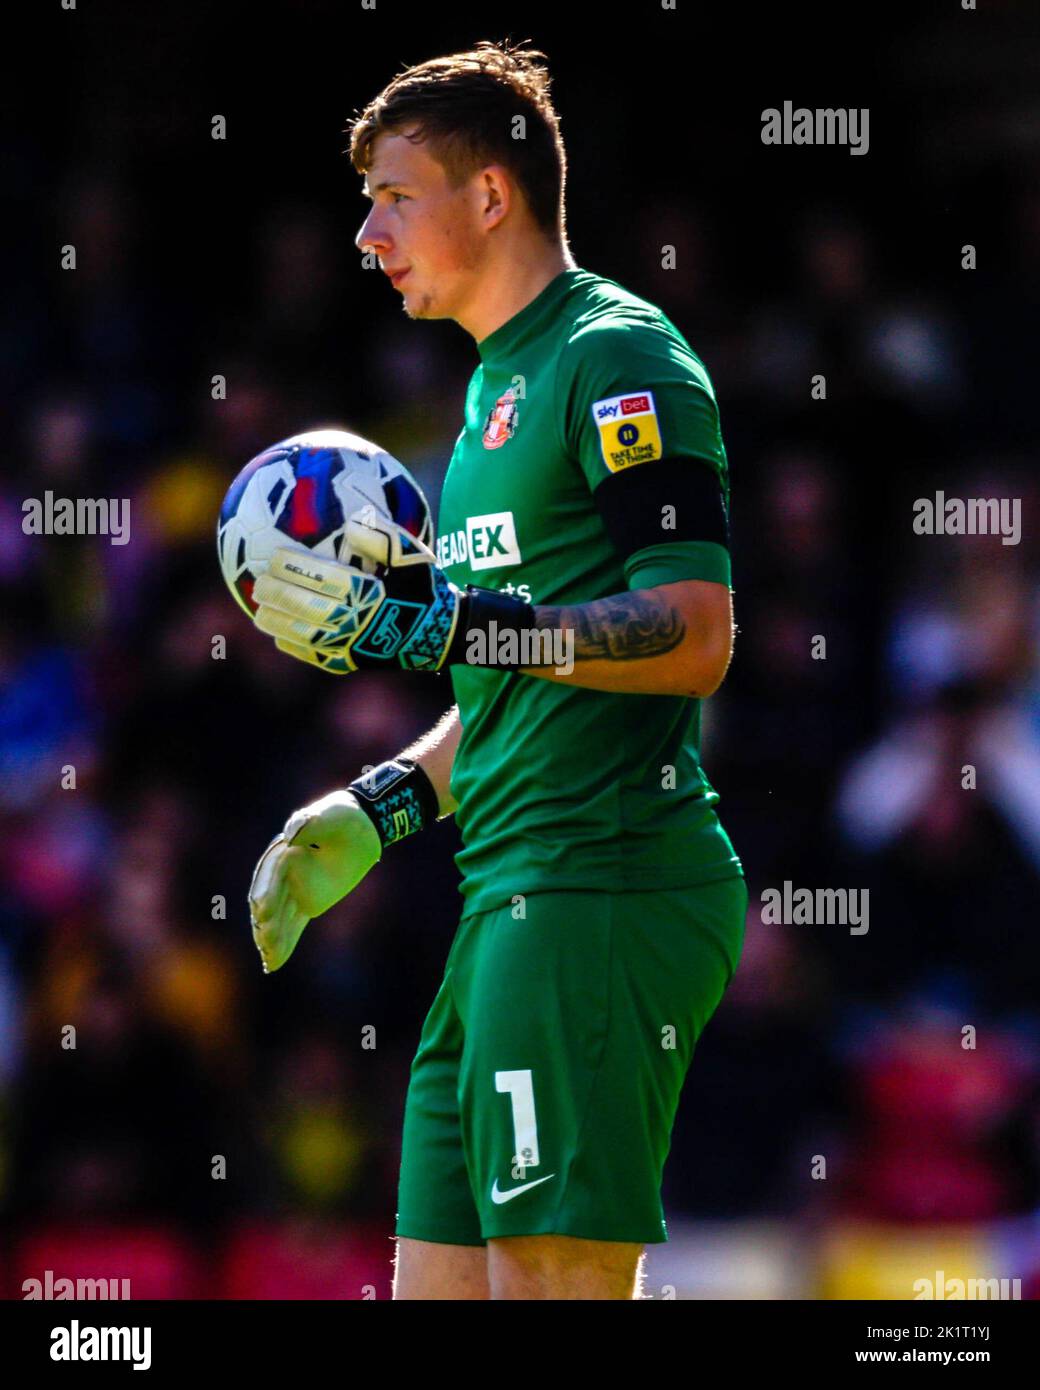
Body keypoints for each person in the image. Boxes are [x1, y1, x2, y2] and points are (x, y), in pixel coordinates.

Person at [247, 40, 747, 1300]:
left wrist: (464, 627)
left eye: (393, 196)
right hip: (505, 905)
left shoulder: (615, 356)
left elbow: (693, 633)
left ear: (489, 196)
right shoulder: (484, 401)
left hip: (602, 883)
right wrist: (377, 807)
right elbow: (513, 673)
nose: (366, 234)